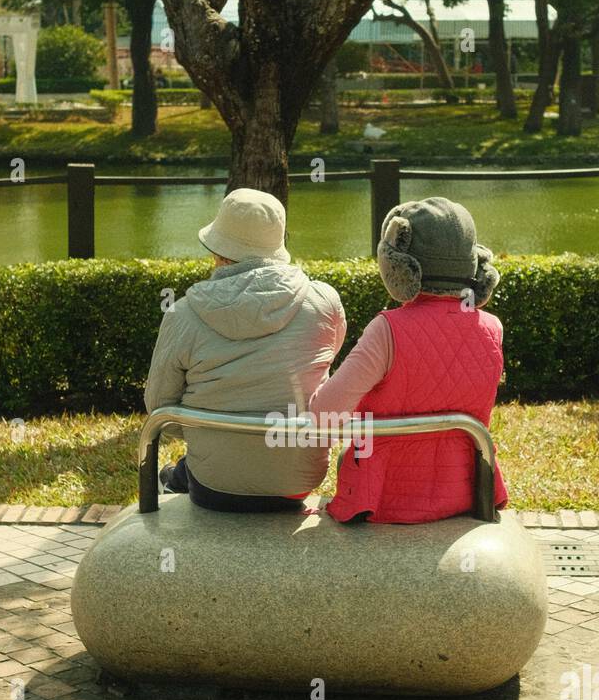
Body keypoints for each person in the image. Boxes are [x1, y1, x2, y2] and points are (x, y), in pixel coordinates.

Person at [144, 187, 346, 513]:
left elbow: (160, 410)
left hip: (213, 485)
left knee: (182, 470)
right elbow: (327, 365)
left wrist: (207, 436)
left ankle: (175, 477)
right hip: (298, 481)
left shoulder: (183, 313)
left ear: (220, 252)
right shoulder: (324, 302)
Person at [309, 196, 508, 524]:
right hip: (466, 494)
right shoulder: (492, 328)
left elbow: (323, 416)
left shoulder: (387, 330)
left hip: (381, 500)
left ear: (398, 267)